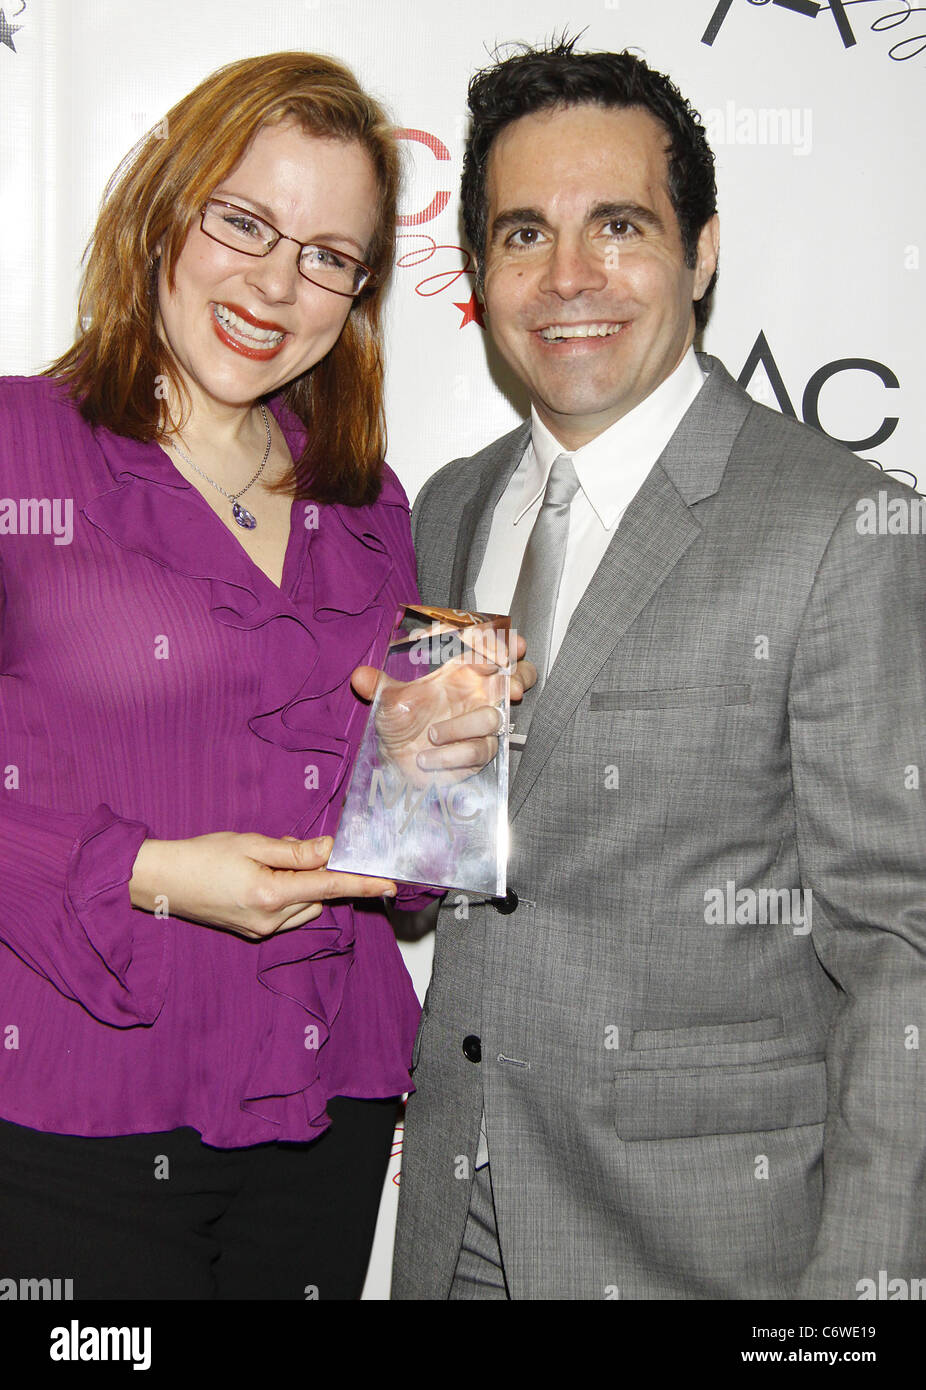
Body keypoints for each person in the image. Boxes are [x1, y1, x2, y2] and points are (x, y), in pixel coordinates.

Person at [393, 37, 926, 1299]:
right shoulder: (449, 506)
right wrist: (409, 803)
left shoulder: (832, 524)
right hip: (454, 1223)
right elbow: (432, 886)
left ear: (700, 250)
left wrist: (862, 1294)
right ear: (475, 269)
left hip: (707, 1245)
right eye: (522, 234)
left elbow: (898, 947)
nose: (567, 277)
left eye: (617, 225)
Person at [0, 50, 507, 1301]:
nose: (277, 284)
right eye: (245, 222)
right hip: (79, 1110)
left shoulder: (375, 504)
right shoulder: (16, 445)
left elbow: (412, 883)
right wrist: (146, 876)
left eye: (329, 255)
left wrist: (432, 765)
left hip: (328, 1107)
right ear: (166, 207)